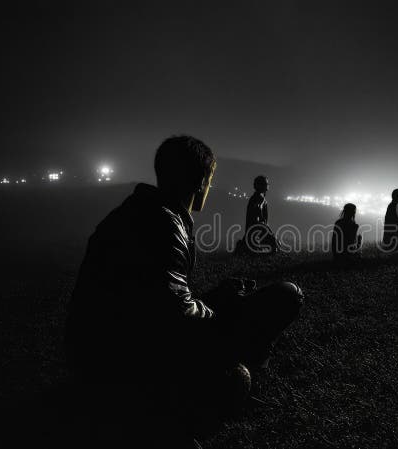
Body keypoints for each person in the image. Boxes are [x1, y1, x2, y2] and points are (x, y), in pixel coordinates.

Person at [65, 136, 304, 448]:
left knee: (234, 368)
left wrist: (216, 297)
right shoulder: (164, 225)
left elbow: (157, 302)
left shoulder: (133, 214)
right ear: (202, 180)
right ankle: (175, 413)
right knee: (287, 296)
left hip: (95, 358)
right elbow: (173, 318)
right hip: (130, 367)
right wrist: (221, 309)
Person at [239, 175, 282, 253]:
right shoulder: (258, 199)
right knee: (274, 246)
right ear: (260, 185)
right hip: (257, 230)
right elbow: (256, 219)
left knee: (275, 245)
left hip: (257, 230)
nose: (268, 186)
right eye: (266, 184)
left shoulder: (260, 199)